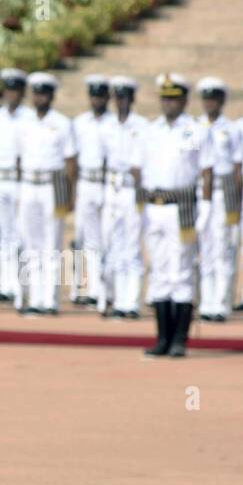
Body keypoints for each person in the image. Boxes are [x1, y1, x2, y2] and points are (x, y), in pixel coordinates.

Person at [141, 73, 213, 358]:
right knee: (158, 270)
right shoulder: (152, 130)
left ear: (184, 100)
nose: (168, 104)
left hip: (181, 207)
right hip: (154, 205)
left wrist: (205, 208)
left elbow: (205, 170)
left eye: (174, 98)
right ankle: (162, 337)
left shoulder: (193, 131)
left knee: (181, 270)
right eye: (165, 98)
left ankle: (180, 339)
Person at [15, 71, 76, 315]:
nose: (39, 98)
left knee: (52, 244)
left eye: (44, 93)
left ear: (51, 96)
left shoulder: (62, 123)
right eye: (36, 93)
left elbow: (70, 161)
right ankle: (33, 297)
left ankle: (50, 300)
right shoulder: (25, 123)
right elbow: (20, 157)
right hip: (29, 184)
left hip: (53, 185)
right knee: (30, 244)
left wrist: (70, 195)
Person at [99, 75, 146, 319]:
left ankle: (131, 302)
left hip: (132, 188)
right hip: (111, 187)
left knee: (132, 246)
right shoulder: (106, 125)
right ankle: (116, 299)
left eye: (125, 97)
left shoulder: (142, 126)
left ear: (132, 99)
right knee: (112, 244)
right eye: (117, 97)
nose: (121, 102)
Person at [194, 77, 242, 322]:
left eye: (214, 99)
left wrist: (236, 205)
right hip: (202, 194)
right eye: (206, 99)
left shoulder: (232, 129)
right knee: (206, 250)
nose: (209, 103)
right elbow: (189, 162)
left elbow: (237, 167)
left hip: (224, 193)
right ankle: (207, 301)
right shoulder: (194, 128)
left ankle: (221, 303)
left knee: (224, 248)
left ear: (222, 101)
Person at [0, 68, 28, 302]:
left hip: (18, 180)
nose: (12, 95)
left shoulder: (29, 118)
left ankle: (12, 284)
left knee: (16, 234)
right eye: (9, 90)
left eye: (16, 90)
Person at [72, 75, 111, 309]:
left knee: (103, 238)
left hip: (105, 183)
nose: (96, 100)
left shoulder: (113, 123)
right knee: (84, 239)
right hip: (85, 182)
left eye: (100, 96)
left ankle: (101, 289)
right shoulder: (80, 123)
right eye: (93, 96)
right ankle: (84, 288)